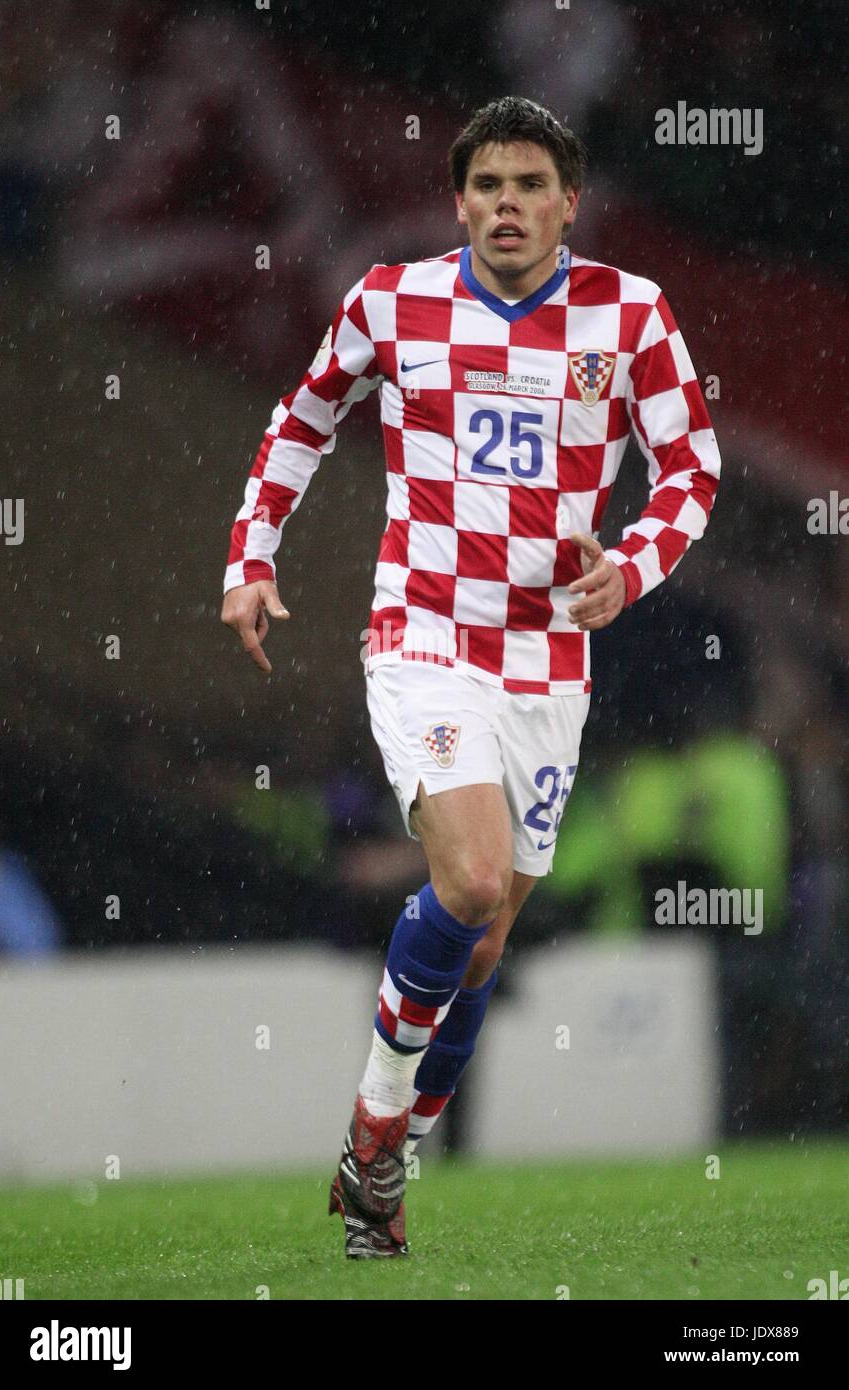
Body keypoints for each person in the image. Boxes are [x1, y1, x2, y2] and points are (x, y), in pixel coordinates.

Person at [221, 96, 721, 1258]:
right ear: (458, 201)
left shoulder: (629, 314)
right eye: (487, 186)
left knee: (486, 943)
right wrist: (252, 558)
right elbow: (302, 418)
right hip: (424, 636)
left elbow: (689, 465)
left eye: (529, 186)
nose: (507, 205)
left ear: (567, 202)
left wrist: (632, 567)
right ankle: (376, 1124)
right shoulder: (391, 301)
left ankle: (389, 1164)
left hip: (549, 662)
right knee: (472, 884)